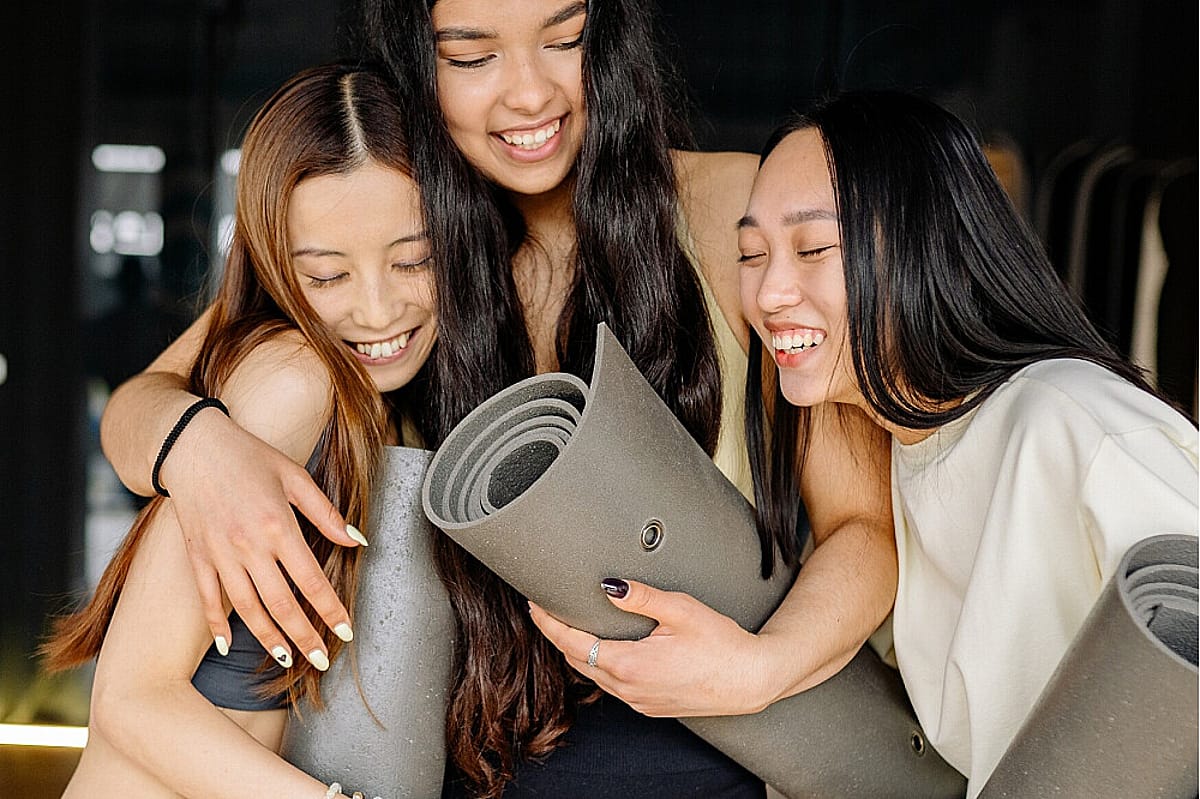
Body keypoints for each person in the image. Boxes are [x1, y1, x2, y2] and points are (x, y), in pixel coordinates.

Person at [99, 2, 897, 796]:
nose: (528, 95)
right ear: (420, 64)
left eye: (565, 39)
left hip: (704, 765)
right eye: (474, 57)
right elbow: (146, 397)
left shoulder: (733, 212)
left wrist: (759, 669)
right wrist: (201, 448)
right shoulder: (394, 236)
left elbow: (864, 528)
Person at [737, 90, 1199, 798]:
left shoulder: (1069, 420)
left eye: (814, 249)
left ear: (923, 242)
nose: (770, 292)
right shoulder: (908, 454)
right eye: (751, 254)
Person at [42, 62, 442, 798]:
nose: (379, 309)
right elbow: (132, 700)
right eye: (328, 276)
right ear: (279, 268)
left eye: (415, 259)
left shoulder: (375, 388)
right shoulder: (293, 379)